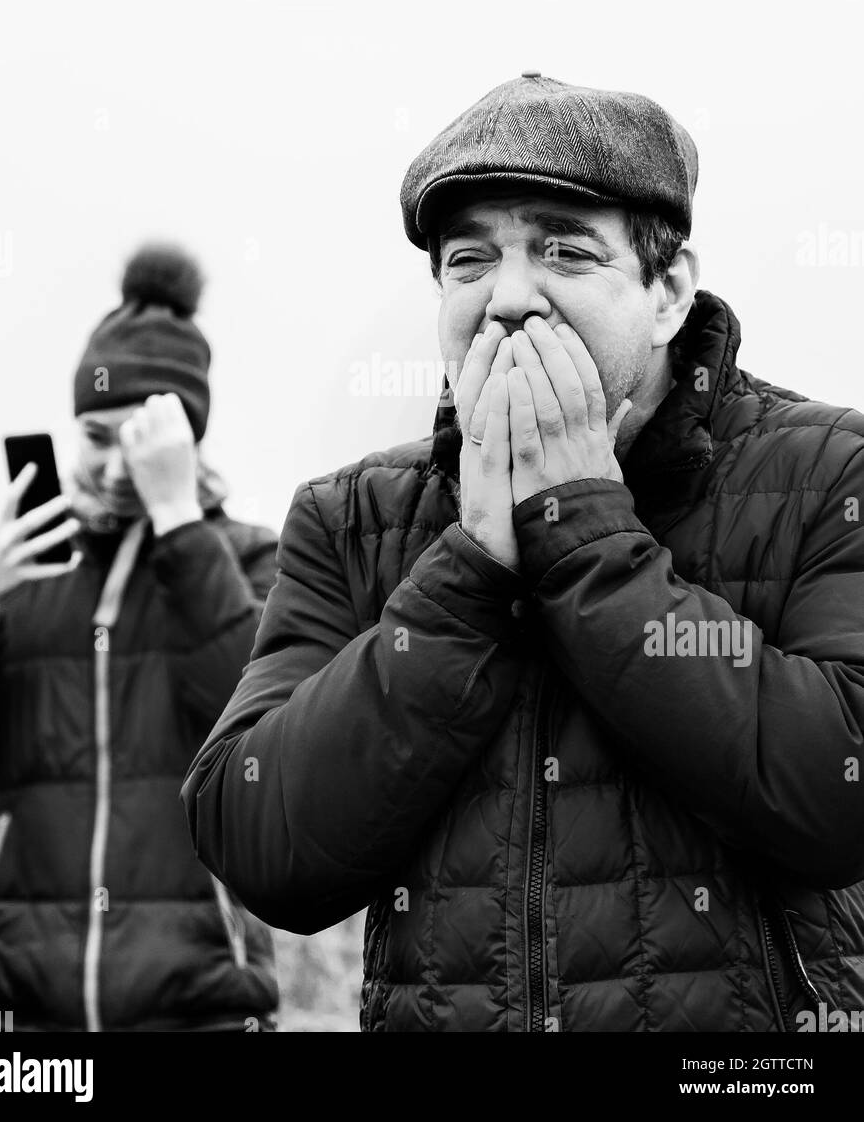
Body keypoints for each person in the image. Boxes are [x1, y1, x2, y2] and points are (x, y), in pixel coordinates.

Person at [183, 74, 864, 1033]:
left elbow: (842, 793)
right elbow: (257, 844)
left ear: (668, 290)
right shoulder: (353, 516)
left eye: (564, 251)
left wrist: (587, 533)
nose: (507, 299)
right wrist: (470, 572)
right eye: (469, 261)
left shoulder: (827, 472)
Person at [0, 245, 279, 1031]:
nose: (113, 464)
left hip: (200, 1004)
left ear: (186, 441)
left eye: (142, 438)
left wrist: (178, 526)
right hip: (24, 1012)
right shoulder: (19, 568)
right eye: (96, 437)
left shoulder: (248, 558)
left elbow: (263, 726)